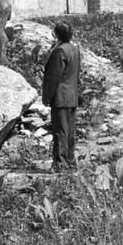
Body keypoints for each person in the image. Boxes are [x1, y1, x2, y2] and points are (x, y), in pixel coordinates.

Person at [42, 20, 81, 170]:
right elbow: (76, 74)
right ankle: (71, 161)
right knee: (70, 131)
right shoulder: (74, 49)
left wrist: (46, 97)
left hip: (60, 97)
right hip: (71, 95)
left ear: (56, 34)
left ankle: (60, 163)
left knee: (60, 131)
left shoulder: (60, 51)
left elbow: (53, 77)